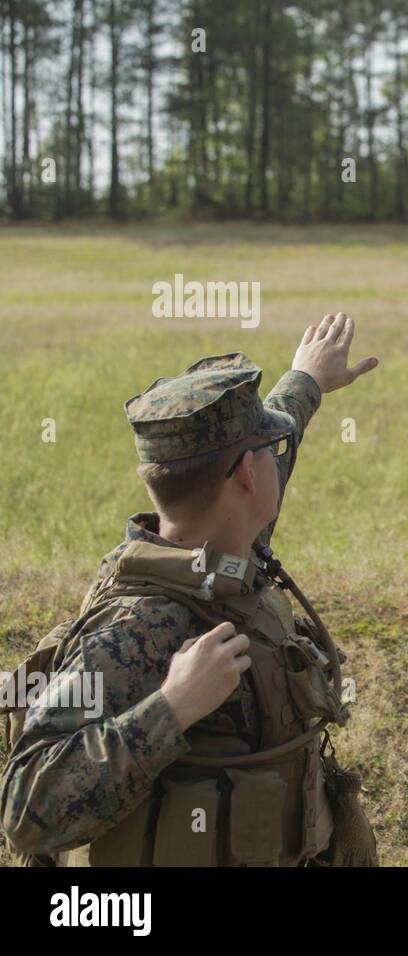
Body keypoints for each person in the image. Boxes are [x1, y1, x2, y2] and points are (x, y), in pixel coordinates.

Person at [0, 314, 380, 866]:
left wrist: (307, 380)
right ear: (248, 475)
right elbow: (24, 808)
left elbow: (274, 447)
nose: (281, 455)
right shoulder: (138, 626)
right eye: (268, 449)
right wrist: (173, 708)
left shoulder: (228, 549)